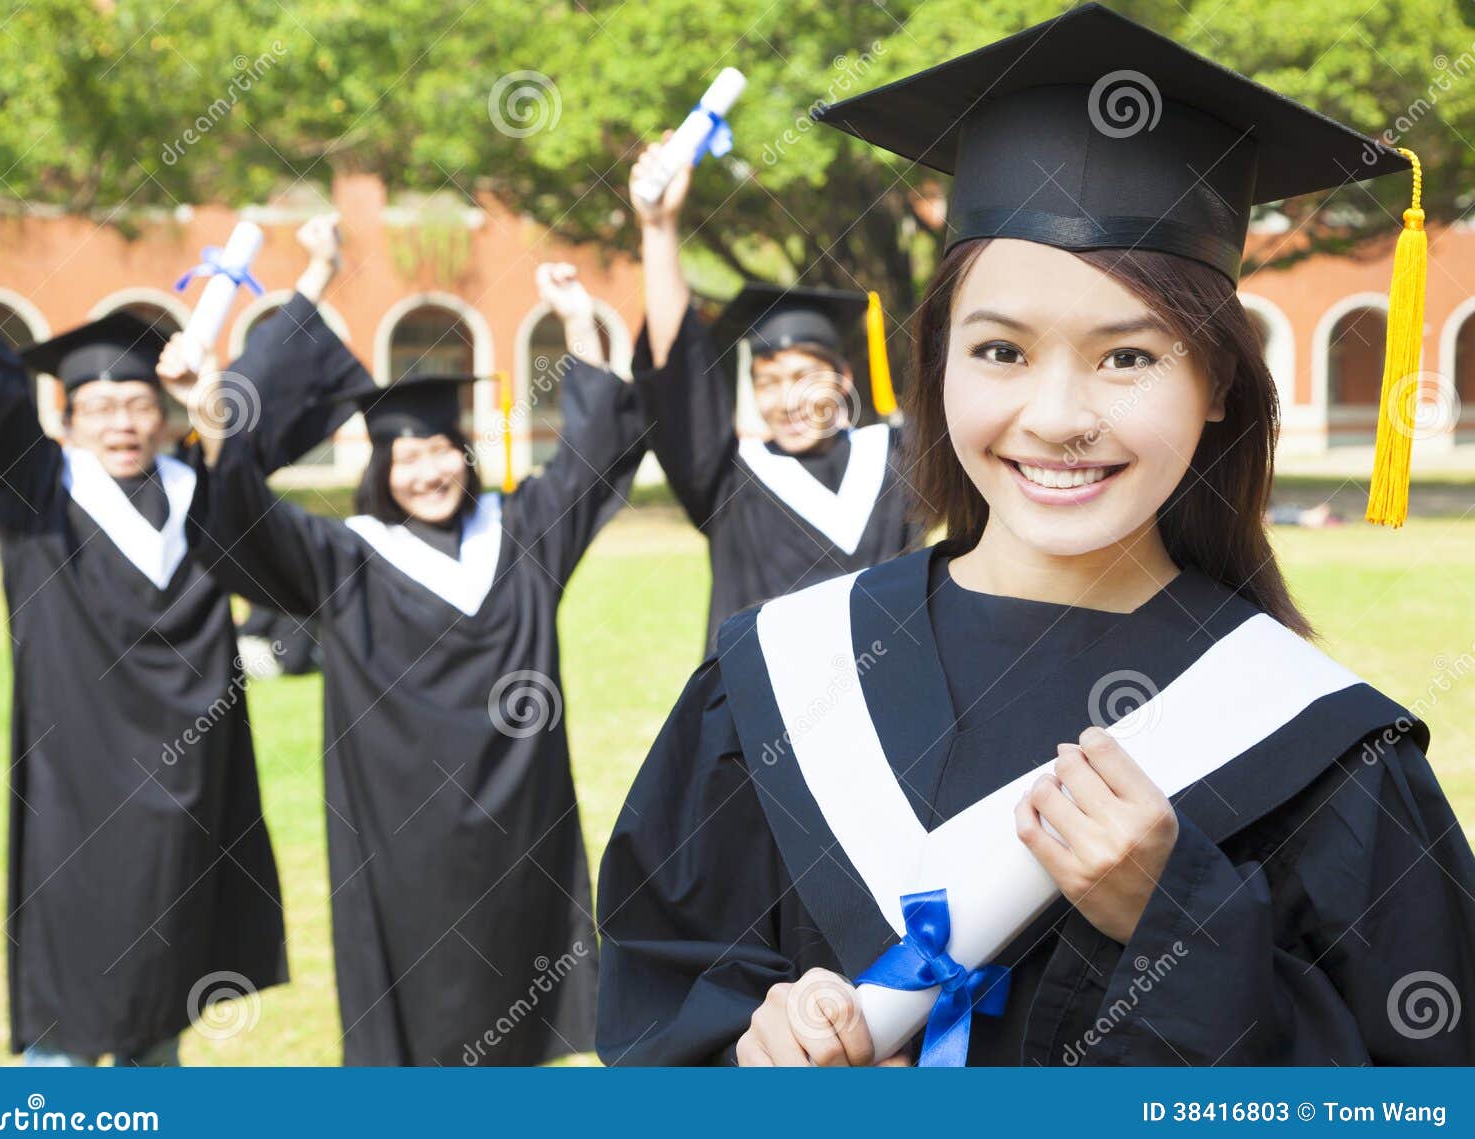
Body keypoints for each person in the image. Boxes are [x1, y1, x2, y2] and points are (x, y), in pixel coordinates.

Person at [596, 4, 1475, 1067]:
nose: (1056, 415)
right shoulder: (777, 681)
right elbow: (658, 1005)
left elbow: (1425, 1094)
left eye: (1128, 357)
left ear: (1214, 389)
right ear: (937, 369)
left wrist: (1186, 926)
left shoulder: (1316, 747)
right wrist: (749, 1051)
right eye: (1000, 350)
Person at [164, 219, 649, 1065]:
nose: (428, 470)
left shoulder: (524, 535)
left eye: (441, 449)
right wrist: (215, 408)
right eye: (406, 455)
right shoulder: (342, 557)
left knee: (519, 1032)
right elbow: (236, 513)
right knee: (418, 1037)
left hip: (519, 834)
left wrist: (575, 323)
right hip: (397, 844)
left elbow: (594, 458)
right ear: (379, 468)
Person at [0, 166, 289, 1066]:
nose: (119, 422)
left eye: (138, 403)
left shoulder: (203, 495)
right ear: (64, 420)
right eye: (98, 406)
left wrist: (217, 404)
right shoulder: (41, 497)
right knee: (70, 1007)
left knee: (160, 1010)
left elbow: (277, 547)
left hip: (189, 788)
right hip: (76, 786)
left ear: (164, 414)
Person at [630, 142, 924, 647]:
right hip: (762, 720)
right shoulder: (728, 478)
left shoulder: (896, 458)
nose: (785, 400)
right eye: (765, 382)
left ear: (843, 382)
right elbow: (679, 368)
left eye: (802, 377)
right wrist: (657, 229)